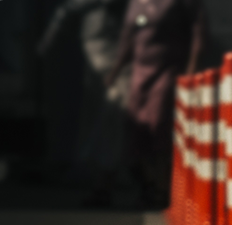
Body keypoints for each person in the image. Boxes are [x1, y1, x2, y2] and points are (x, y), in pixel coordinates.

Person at [107, 0, 206, 207]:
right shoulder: (135, 4)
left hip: (168, 70)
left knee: (159, 125)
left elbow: (198, 34)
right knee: (136, 128)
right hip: (140, 73)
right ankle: (148, 184)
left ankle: (163, 187)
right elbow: (127, 39)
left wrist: (191, 70)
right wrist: (115, 71)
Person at [38, 0, 130, 204]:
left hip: (111, 62)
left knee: (109, 125)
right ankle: (101, 180)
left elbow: (67, 10)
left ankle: (105, 180)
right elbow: (68, 10)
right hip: (102, 60)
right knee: (102, 124)